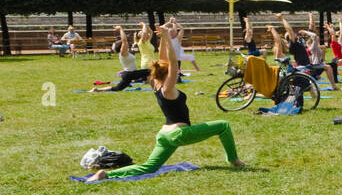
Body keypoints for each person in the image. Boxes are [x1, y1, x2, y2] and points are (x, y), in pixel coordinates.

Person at [86, 25, 244, 181]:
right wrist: (167, 38)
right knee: (223, 125)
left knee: (149, 166)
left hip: (164, 135)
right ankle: (234, 160)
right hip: (178, 134)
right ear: (169, 74)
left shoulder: (154, 82)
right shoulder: (167, 89)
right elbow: (173, 63)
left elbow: (163, 59)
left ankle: (105, 174)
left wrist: (163, 36)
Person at [276, 13, 341, 90]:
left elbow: (310, 28)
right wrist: (281, 18)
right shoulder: (293, 44)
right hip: (304, 67)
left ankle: (334, 86)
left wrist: (311, 16)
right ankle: (313, 85)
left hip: (309, 65)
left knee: (328, 67)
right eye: (292, 34)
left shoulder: (299, 42)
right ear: (290, 37)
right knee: (325, 69)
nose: (294, 33)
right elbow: (289, 29)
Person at [90, 25, 150, 92]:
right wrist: (121, 29)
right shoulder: (123, 53)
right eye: (125, 44)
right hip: (129, 74)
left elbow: (125, 41)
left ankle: (97, 90)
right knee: (151, 71)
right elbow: (124, 40)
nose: (127, 44)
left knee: (118, 88)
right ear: (121, 47)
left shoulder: (126, 53)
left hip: (130, 74)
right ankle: (96, 90)